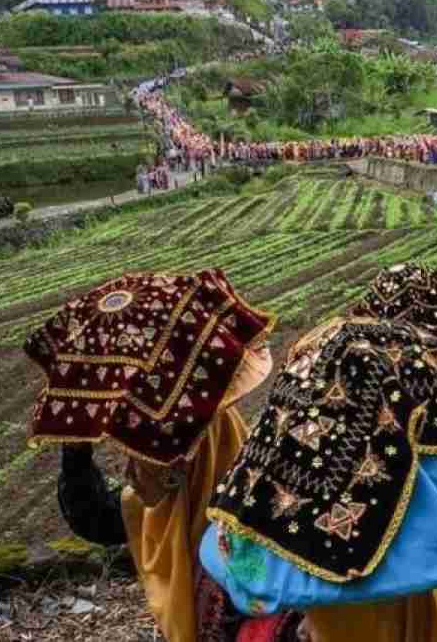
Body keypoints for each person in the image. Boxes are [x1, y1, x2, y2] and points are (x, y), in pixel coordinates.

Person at [33, 272, 298, 642]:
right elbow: (99, 517)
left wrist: (76, 447)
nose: (134, 471)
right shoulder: (249, 467)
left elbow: (98, 518)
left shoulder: (171, 476)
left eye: (141, 458)